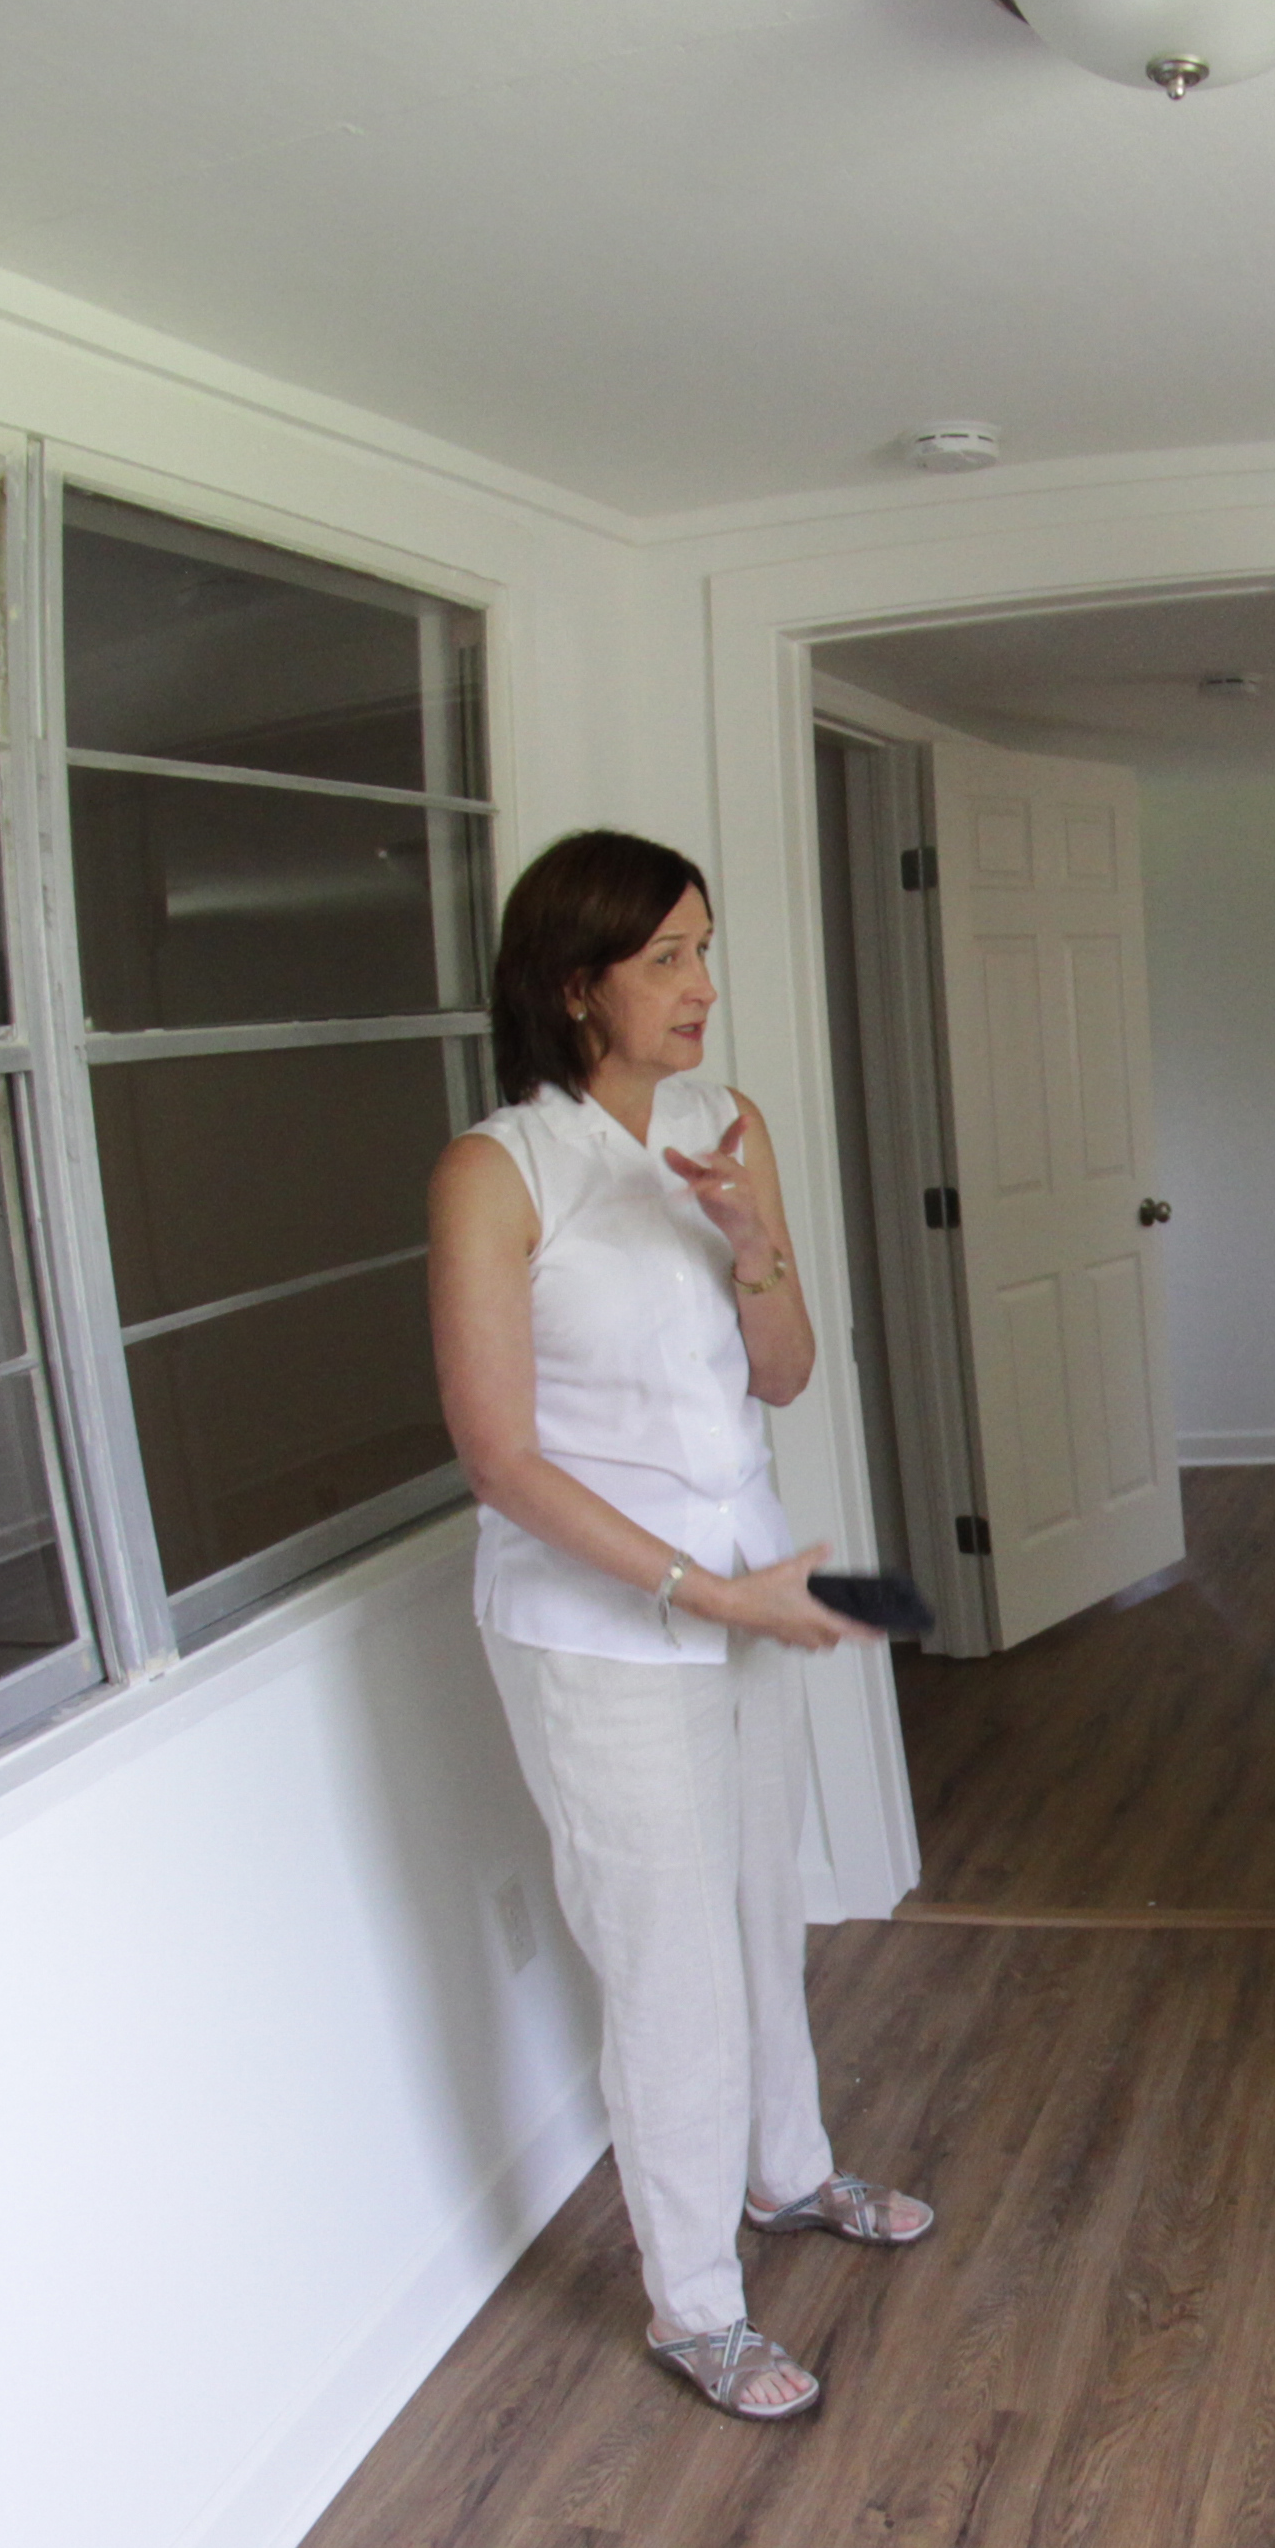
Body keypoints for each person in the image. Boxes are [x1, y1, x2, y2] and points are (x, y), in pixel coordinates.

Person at [429, 829, 932, 2423]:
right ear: (575, 985)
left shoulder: (729, 1126)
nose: (704, 987)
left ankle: (789, 2173)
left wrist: (752, 1242)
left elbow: (781, 1373)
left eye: (706, 948)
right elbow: (501, 1457)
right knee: (666, 1963)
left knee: (760, 1899)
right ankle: (692, 2304)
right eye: (667, 959)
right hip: (602, 1631)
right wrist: (710, 1594)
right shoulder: (497, 1170)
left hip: (748, 1583)